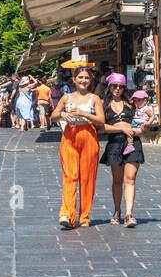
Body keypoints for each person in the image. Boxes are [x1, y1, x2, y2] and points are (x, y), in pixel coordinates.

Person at [50, 65, 105, 229]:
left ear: (91, 80)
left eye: (86, 78)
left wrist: (84, 114)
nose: (83, 80)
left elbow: (101, 121)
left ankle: (84, 216)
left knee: (87, 178)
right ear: (74, 79)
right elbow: (53, 116)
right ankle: (67, 214)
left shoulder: (95, 98)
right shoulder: (66, 98)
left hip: (89, 137)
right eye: (80, 77)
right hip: (70, 137)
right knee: (70, 175)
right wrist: (62, 114)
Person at [100, 74, 144, 227]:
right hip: (115, 144)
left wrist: (140, 129)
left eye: (121, 86)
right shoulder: (103, 105)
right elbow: (102, 127)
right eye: (114, 86)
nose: (118, 89)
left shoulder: (131, 103)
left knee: (130, 178)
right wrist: (120, 128)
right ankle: (117, 211)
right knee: (117, 181)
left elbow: (143, 119)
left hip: (132, 142)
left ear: (124, 88)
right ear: (109, 87)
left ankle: (129, 214)